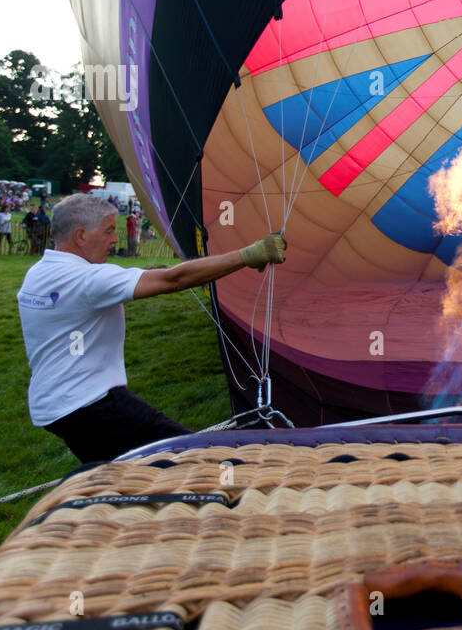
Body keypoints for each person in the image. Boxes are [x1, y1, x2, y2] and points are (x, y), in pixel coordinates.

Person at [17, 193, 287, 463]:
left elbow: (96, 290)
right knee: (199, 458)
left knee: (116, 471)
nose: (115, 239)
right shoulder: (85, 279)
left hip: (54, 407)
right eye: (109, 231)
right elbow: (174, 279)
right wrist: (248, 255)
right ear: (81, 236)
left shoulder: (40, 272)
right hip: (91, 404)